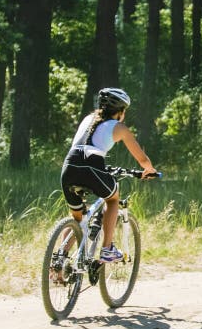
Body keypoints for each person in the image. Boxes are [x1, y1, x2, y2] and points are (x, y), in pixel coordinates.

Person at [60, 88, 157, 262]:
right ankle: (107, 249)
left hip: (68, 167)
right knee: (112, 199)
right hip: (92, 167)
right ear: (121, 111)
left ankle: (58, 261)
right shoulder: (119, 127)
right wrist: (150, 170)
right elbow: (142, 159)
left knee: (77, 218)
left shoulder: (88, 119)